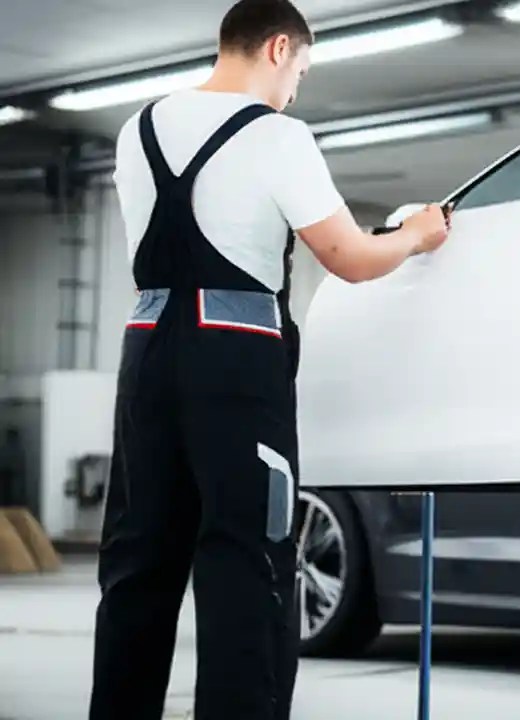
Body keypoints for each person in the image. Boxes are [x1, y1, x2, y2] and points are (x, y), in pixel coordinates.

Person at [89, 1, 450, 718]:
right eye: (301, 73)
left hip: (146, 349)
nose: (296, 91)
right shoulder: (279, 136)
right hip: (236, 359)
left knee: (138, 561)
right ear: (279, 48)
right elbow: (348, 256)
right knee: (248, 562)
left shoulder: (138, 129)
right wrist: (415, 234)